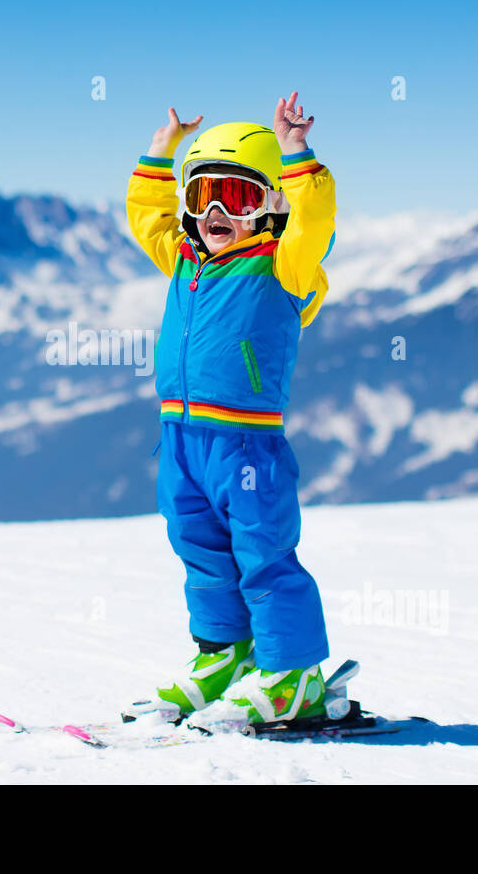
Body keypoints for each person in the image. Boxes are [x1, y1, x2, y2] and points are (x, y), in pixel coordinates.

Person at [123, 92, 338, 727]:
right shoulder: (182, 258)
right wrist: (162, 152)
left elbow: (314, 225)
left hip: (248, 444)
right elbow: (147, 219)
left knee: (262, 551)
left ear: (269, 203)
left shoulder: (285, 265)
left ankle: (292, 675)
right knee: (199, 549)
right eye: (202, 195)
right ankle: (225, 655)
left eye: (238, 197)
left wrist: (296, 153)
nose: (216, 210)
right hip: (181, 438)